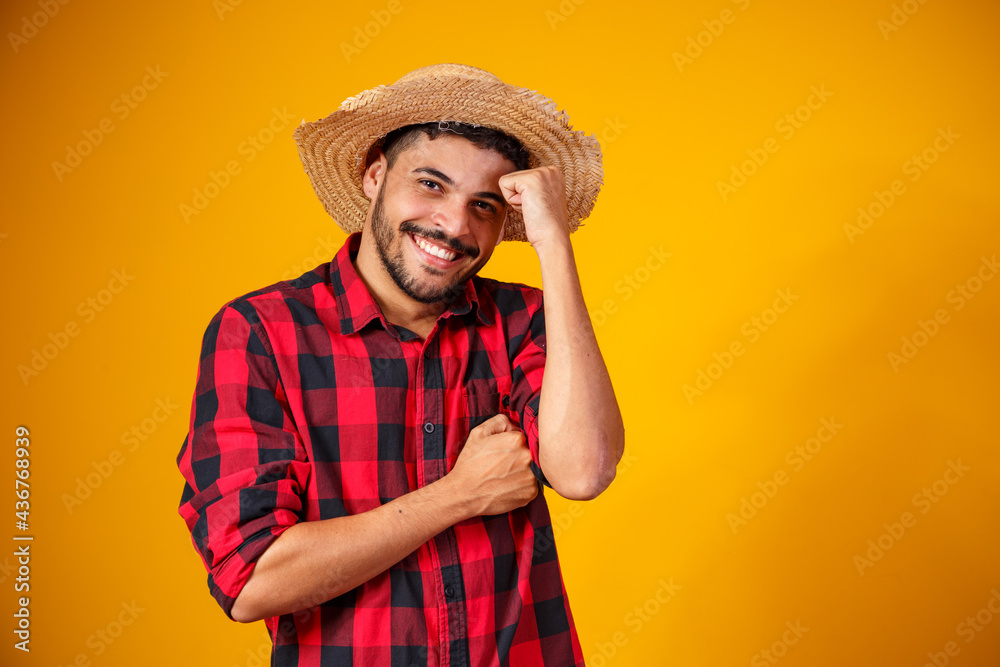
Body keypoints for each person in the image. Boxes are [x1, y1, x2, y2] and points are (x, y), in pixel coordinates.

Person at [177, 63, 624, 667]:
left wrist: (554, 244)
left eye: (485, 206)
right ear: (374, 174)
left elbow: (585, 470)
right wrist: (458, 495)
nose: (454, 225)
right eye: (432, 185)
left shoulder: (525, 320)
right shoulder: (261, 332)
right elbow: (252, 579)